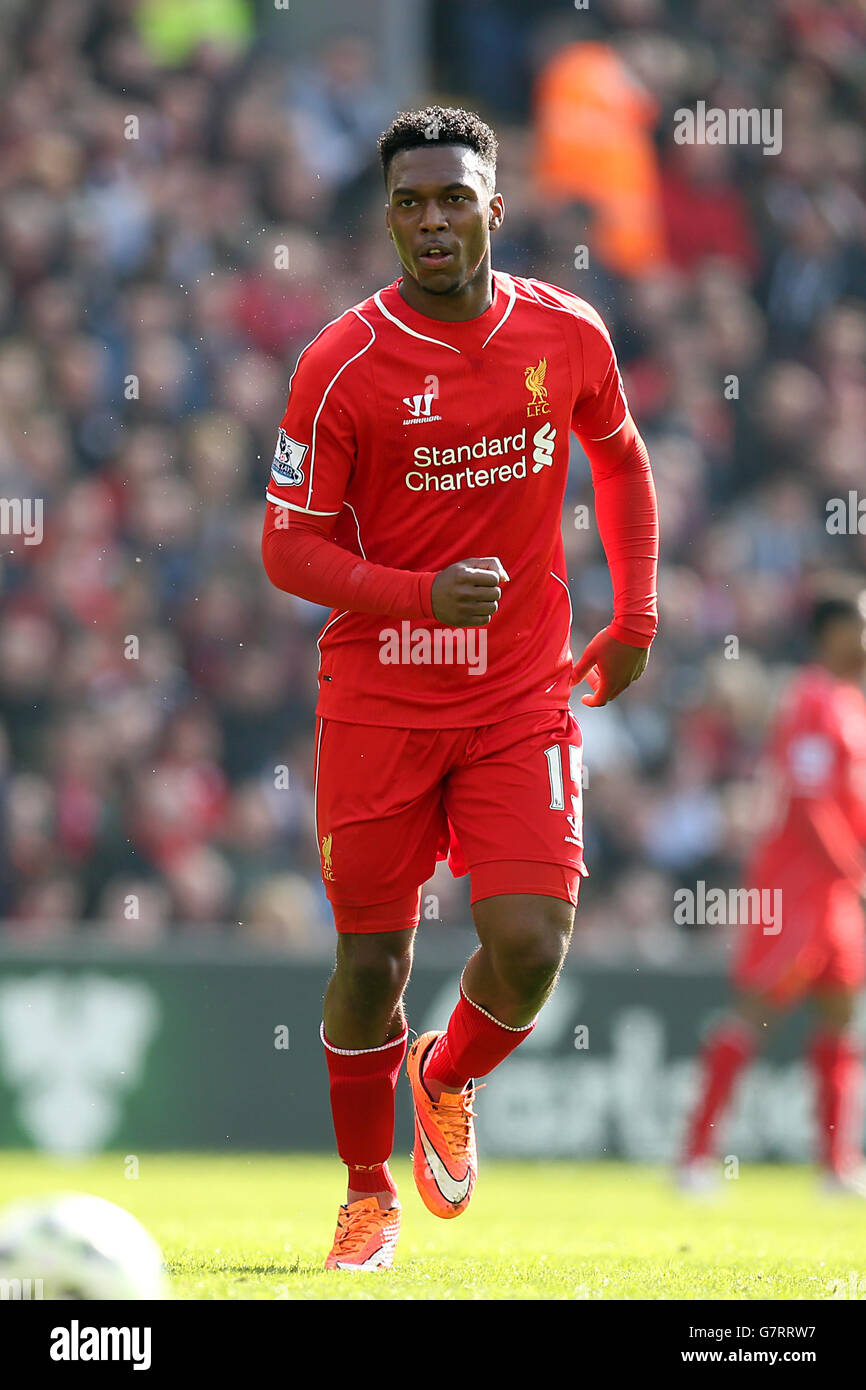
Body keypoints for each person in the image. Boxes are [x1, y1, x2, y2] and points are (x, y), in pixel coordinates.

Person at [261, 106, 659, 1269]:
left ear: (496, 206)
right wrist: (418, 594)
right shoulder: (339, 366)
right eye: (410, 203)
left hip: (517, 695)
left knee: (530, 939)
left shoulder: (565, 332)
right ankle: (363, 1191)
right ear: (387, 219)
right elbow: (285, 549)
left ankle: (444, 1073)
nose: (432, 220)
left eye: (453, 198)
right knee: (369, 965)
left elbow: (622, 459)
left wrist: (633, 612)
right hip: (379, 699)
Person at [679, 590, 866, 1193]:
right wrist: (856, 869)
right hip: (799, 892)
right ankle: (695, 1158)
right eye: (858, 626)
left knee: (839, 1020)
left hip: (838, 894)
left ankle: (834, 1168)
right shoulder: (811, 700)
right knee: (755, 1015)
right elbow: (810, 805)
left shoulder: (851, 703)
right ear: (830, 633)